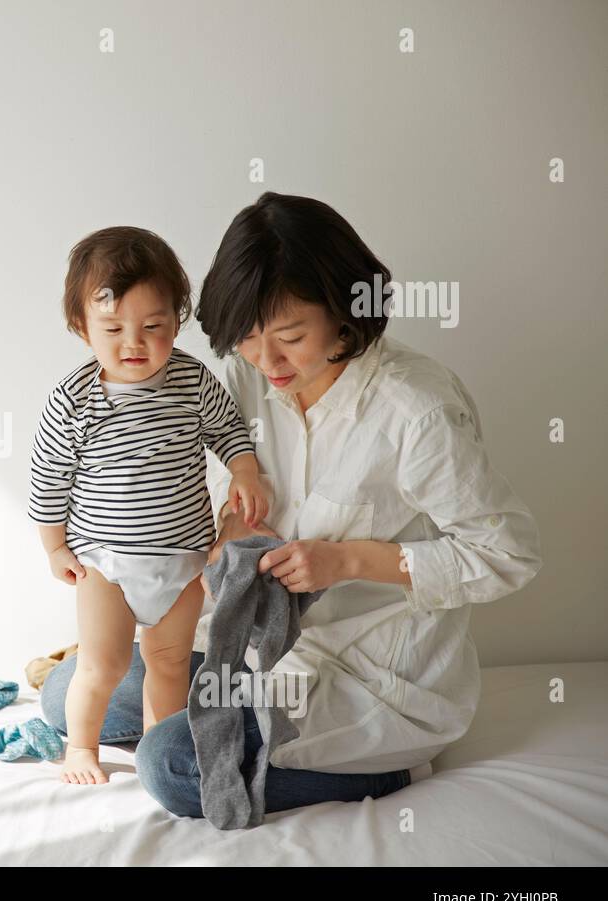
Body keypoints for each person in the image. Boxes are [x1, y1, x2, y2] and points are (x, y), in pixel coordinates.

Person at [40, 193, 543, 817]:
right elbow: (246, 488)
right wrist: (228, 529)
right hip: (264, 653)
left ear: (345, 311)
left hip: (368, 679)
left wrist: (349, 561)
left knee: (169, 763)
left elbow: (508, 555)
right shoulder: (254, 376)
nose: (266, 361)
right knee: (67, 689)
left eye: (291, 337)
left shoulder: (417, 410)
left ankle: (387, 770)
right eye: (247, 338)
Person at [28, 226, 269, 785]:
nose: (133, 343)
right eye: (113, 329)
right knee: (103, 663)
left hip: (184, 560)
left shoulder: (190, 380)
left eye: (153, 327)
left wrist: (244, 469)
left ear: (176, 322)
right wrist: (54, 547)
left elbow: (229, 430)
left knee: (167, 664)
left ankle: (159, 749)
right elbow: (47, 482)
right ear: (81, 327)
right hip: (105, 562)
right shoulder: (74, 399)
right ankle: (82, 750)